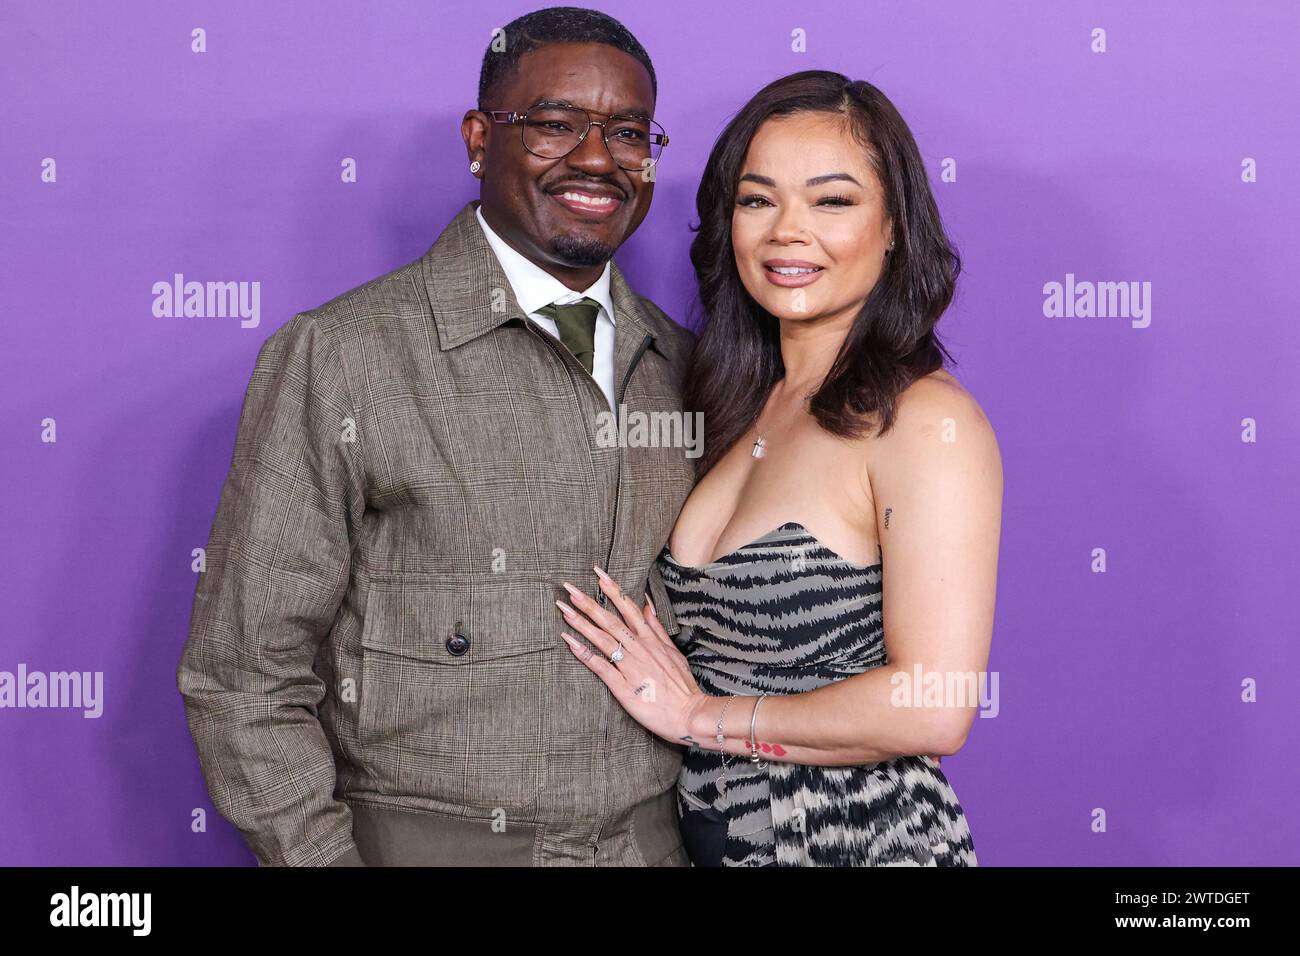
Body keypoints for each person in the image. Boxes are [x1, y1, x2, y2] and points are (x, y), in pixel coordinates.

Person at [176, 6, 699, 867]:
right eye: (557, 125)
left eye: (629, 132)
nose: (599, 159)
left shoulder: (686, 365)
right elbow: (243, 677)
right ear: (479, 137)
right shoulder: (345, 355)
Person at [556, 70, 1002, 866]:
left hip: (858, 843)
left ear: (895, 227)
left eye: (832, 201)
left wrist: (701, 718)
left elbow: (935, 708)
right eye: (758, 200)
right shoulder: (740, 401)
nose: (788, 231)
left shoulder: (926, 420)